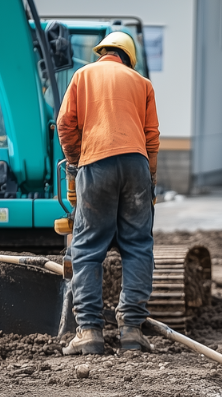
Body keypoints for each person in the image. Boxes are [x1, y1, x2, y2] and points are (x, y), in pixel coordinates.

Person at [56, 31, 160, 355]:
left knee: (86, 249)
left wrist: (75, 162)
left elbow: (65, 125)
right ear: (129, 58)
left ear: (101, 53)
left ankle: (89, 331)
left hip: (95, 164)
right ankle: (131, 330)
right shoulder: (142, 83)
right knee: (138, 245)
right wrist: (149, 181)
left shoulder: (82, 75)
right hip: (136, 165)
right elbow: (152, 136)